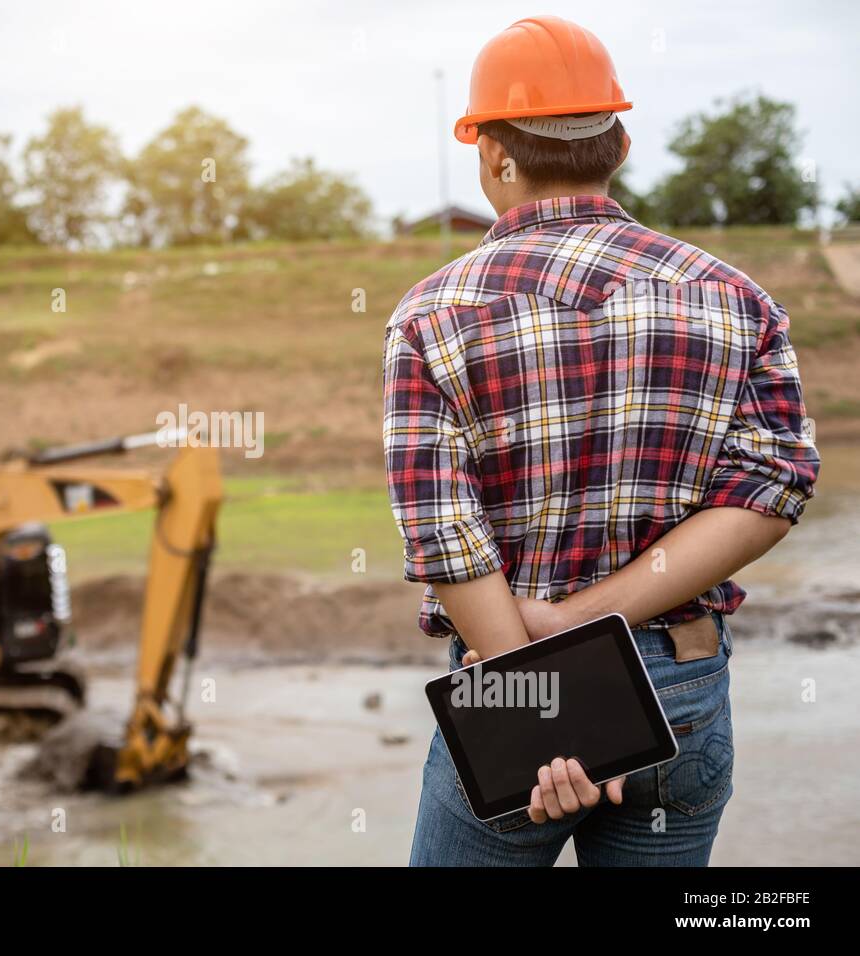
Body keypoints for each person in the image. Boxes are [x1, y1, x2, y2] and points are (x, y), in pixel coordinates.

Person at [382, 15, 820, 866]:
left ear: (493, 155)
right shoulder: (737, 299)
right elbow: (774, 488)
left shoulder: (431, 318)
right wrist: (588, 628)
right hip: (683, 685)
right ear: (617, 142)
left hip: (509, 681)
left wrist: (536, 695)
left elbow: (443, 535)